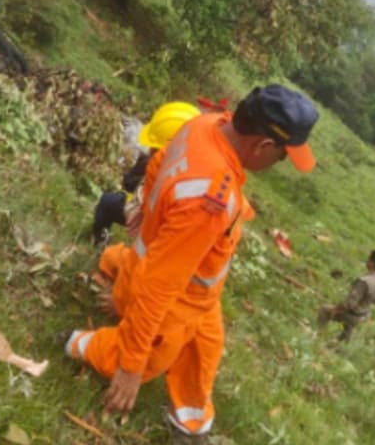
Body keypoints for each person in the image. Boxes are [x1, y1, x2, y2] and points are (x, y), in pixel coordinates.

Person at [62, 84, 318, 443]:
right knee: (142, 359)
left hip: (197, 292)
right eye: (282, 156)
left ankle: (191, 424)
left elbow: (161, 160)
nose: (280, 164)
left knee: (205, 352)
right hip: (176, 295)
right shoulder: (209, 201)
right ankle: (75, 343)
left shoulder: (205, 124)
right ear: (264, 145)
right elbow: (158, 287)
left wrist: (150, 205)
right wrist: (131, 368)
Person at [91, 101, 202, 248]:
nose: (149, 151)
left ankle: (99, 243)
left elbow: (141, 200)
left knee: (108, 202)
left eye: (154, 149)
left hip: (161, 232)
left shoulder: (163, 172)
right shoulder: (197, 168)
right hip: (179, 236)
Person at [318, 249, 375, 342]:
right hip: (365, 314)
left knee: (324, 310)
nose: (367, 261)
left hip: (353, 315)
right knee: (348, 328)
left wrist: (335, 309)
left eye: (369, 259)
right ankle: (342, 343)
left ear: (372, 263)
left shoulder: (364, 282)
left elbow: (349, 304)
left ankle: (320, 336)